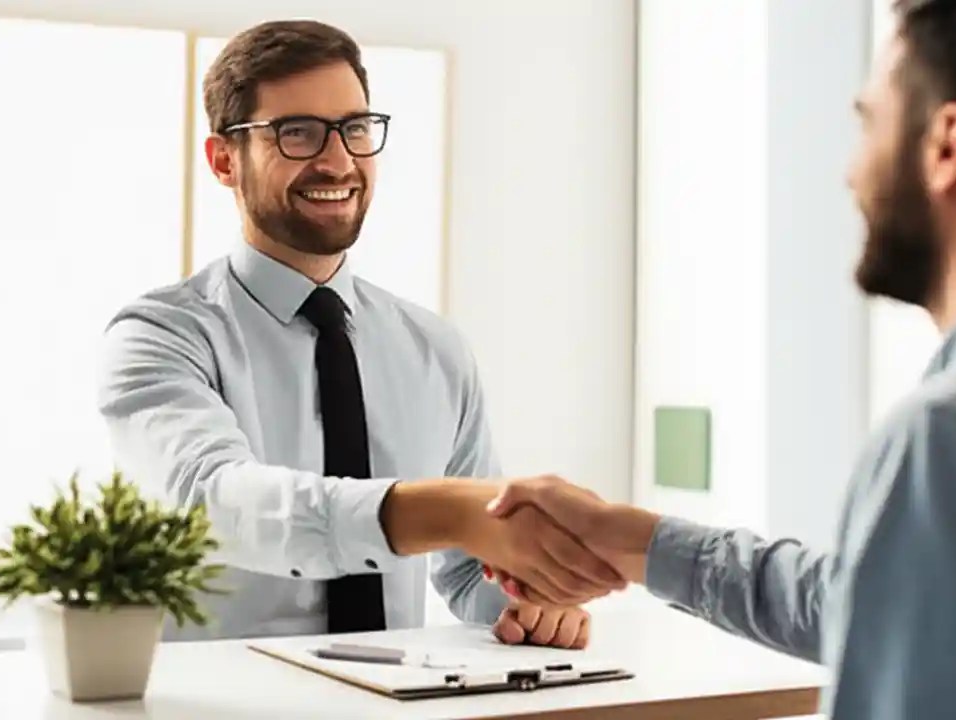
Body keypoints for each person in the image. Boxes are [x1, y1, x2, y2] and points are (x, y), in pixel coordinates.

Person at [488, 0, 956, 716]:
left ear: (947, 144)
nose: (851, 174)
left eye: (868, 123)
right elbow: (868, 602)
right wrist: (636, 543)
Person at [97, 20, 622, 648]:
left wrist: (531, 602)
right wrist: (445, 509)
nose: (338, 160)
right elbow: (219, 504)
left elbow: (466, 570)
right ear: (223, 161)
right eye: (297, 133)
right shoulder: (158, 336)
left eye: (354, 128)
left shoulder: (435, 350)